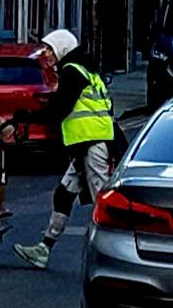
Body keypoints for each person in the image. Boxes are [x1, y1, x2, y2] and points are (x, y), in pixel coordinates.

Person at [13, 30, 115, 265]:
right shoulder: (82, 70)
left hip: (93, 144)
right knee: (64, 194)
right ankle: (44, 249)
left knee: (103, 200)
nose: (46, 54)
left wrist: (24, 117)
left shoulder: (72, 72)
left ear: (62, 49)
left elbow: (60, 109)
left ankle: (113, 252)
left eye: (49, 48)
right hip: (87, 143)